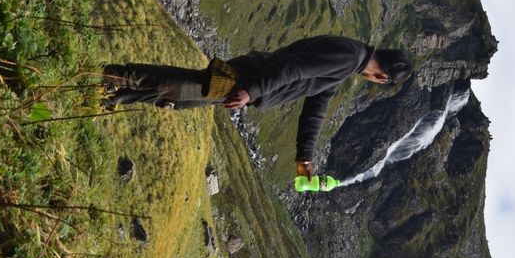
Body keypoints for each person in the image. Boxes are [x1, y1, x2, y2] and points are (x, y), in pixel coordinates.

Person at [102, 35, 412, 177]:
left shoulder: (350, 61)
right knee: (178, 89)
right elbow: (293, 68)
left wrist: (304, 157)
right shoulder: (348, 57)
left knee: (178, 98)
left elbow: (317, 106)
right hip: (248, 78)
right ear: (382, 78)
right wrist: (251, 91)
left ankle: (112, 94)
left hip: (252, 80)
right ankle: (111, 77)